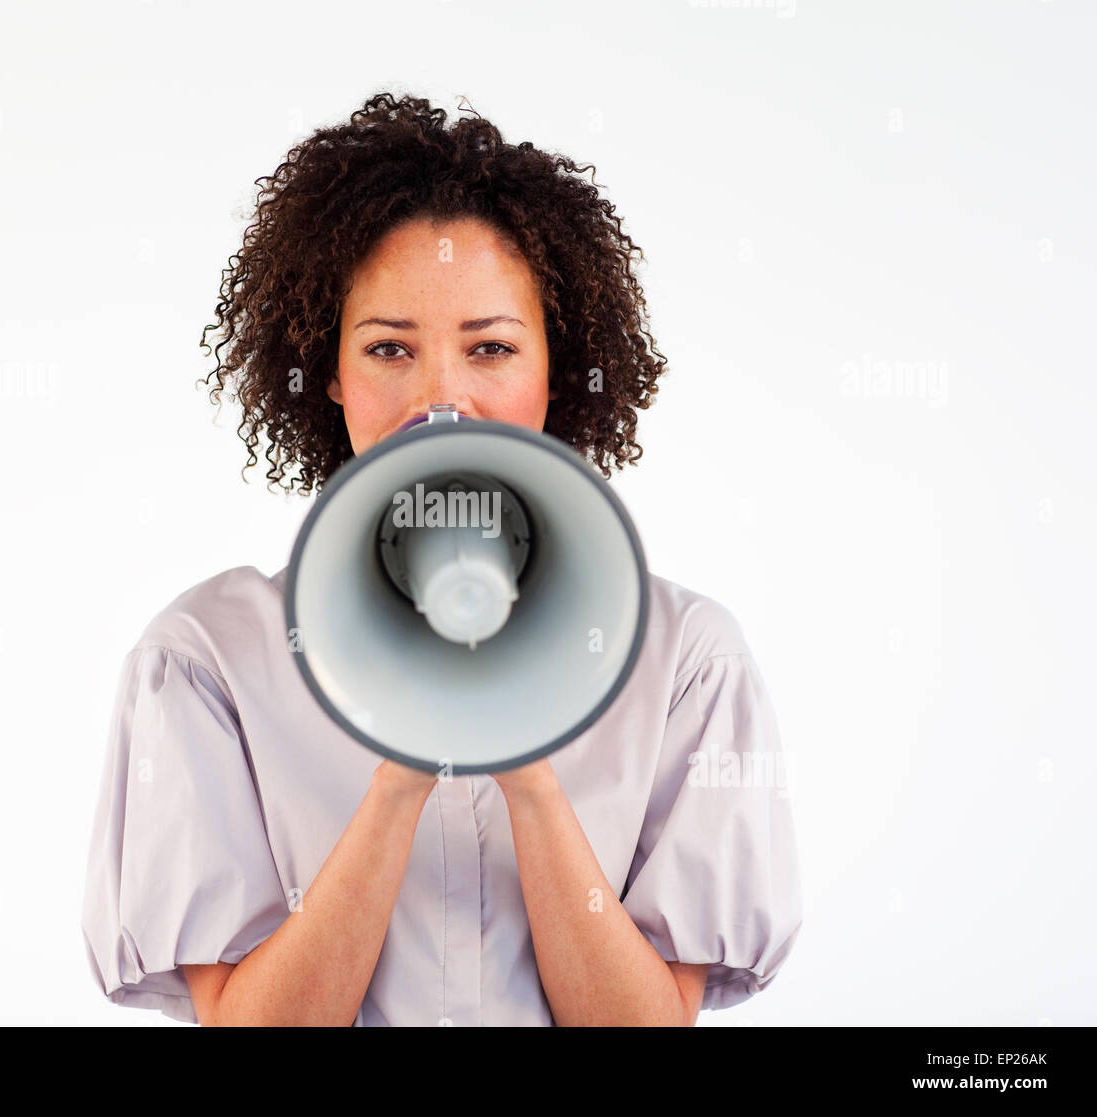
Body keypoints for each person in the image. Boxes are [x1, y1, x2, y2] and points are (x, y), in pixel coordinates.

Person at [80, 92, 802, 1026]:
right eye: (388, 348)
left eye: (492, 346)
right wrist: (401, 773)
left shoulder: (687, 660)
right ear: (329, 369)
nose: (441, 399)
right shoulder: (205, 659)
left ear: (556, 363)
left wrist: (524, 758)